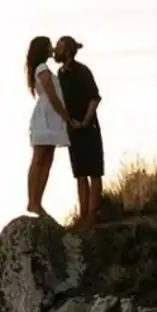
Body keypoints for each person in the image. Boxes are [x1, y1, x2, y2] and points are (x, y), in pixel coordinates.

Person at [54, 35, 104, 230]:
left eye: (59, 46)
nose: (55, 50)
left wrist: (85, 121)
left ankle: (93, 215)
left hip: (88, 127)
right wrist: (69, 121)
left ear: (67, 51)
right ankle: (82, 217)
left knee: (95, 171)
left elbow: (95, 98)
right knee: (80, 174)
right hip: (72, 128)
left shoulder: (82, 71)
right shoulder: (60, 74)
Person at [26, 36, 71, 217]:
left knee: (46, 159)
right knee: (39, 159)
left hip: (51, 118)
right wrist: (64, 115)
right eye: (49, 45)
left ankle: (37, 200)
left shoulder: (43, 69)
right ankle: (33, 201)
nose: (52, 48)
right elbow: (52, 95)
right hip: (46, 117)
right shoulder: (42, 69)